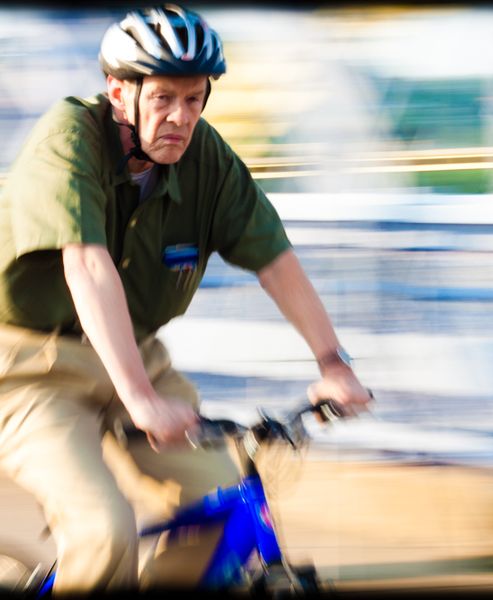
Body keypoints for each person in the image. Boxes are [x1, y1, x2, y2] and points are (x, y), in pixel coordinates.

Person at [0, 4, 372, 592]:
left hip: (134, 356)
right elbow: (87, 264)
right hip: (27, 369)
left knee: (221, 514)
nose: (181, 117)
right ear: (119, 93)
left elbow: (274, 260)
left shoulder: (206, 157)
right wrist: (142, 400)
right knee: (103, 530)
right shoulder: (68, 137)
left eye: (195, 99)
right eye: (163, 99)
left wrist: (332, 362)